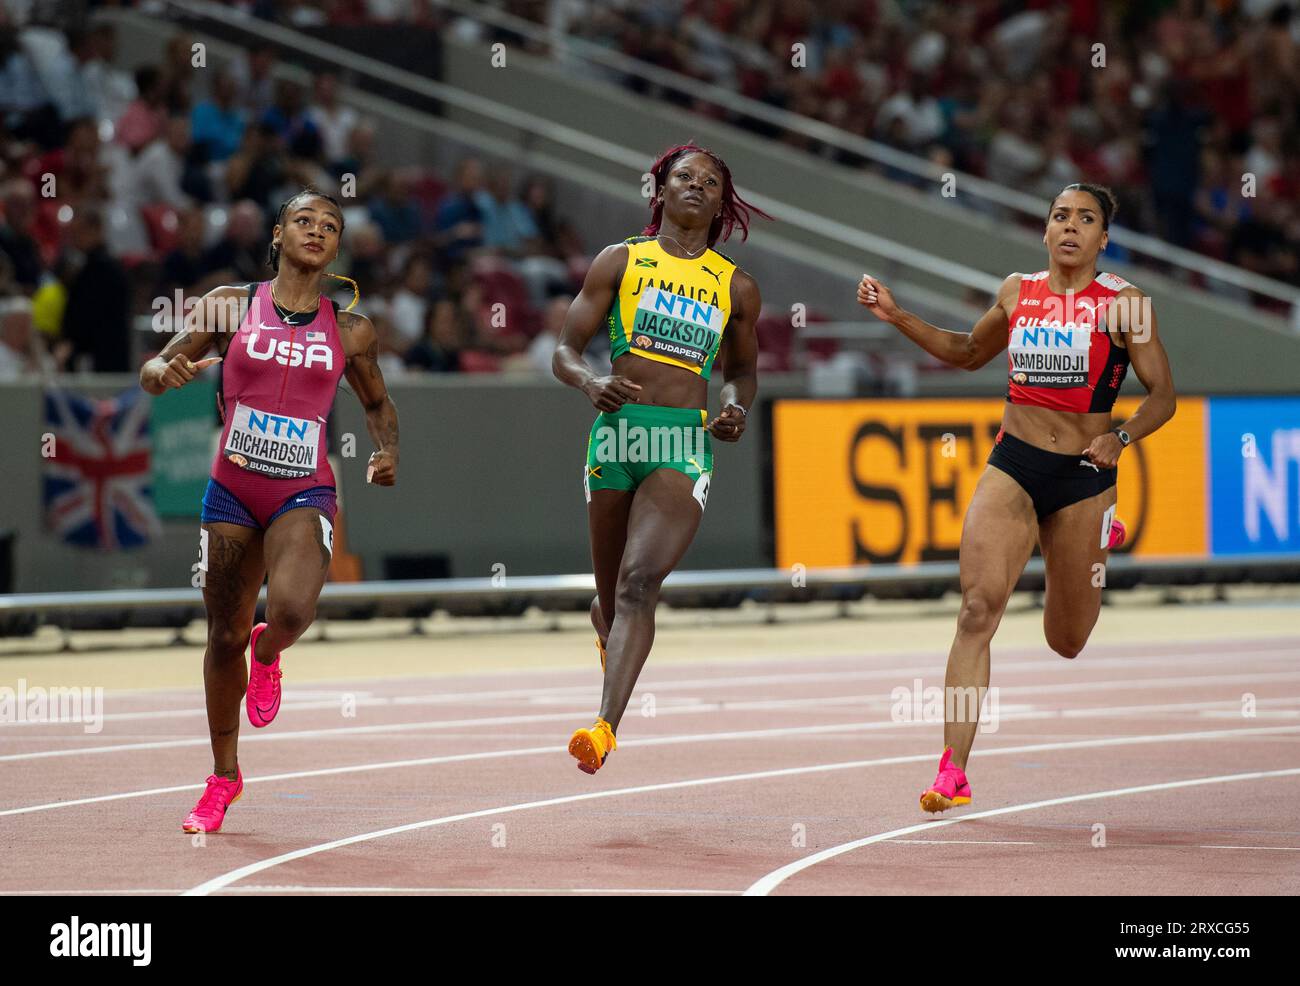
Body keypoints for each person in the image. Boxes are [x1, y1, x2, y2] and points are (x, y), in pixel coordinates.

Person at [857, 183, 1177, 813]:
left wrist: (1121, 436)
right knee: (977, 609)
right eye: (1060, 216)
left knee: (1067, 639)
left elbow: (1163, 395)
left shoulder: (1127, 305)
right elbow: (970, 351)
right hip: (1016, 463)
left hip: (1086, 472)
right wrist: (898, 316)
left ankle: (1097, 537)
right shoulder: (1016, 291)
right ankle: (953, 768)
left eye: (1086, 220)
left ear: (1103, 239)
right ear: (1045, 229)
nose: (1070, 228)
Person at [139, 189, 399, 834]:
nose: (316, 231)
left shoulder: (350, 329)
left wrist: (386, 450)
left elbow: (374, 402)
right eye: (303, 221)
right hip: (231, 489)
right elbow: (157, 365)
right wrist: (159, 374)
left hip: (302, 488)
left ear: (338, 248)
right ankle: (223, 777)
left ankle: (272, 649)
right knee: (221, 634)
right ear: (278, 235)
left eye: (330, 225)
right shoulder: (230, 305)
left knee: (290, 609)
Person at [552, 143, 768, 773]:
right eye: (684, 177)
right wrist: (591, 383)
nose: (696, 187)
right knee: (613, 599)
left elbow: (745, 372)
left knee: (640, 582)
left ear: (722, 203)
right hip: (616, 437)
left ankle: (602, 728)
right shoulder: (620, 261)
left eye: (709, 182)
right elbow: (565, 350)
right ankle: (609, 626)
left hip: (681, 441)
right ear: (661, 190)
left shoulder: (737, 286)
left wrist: (735, 405)